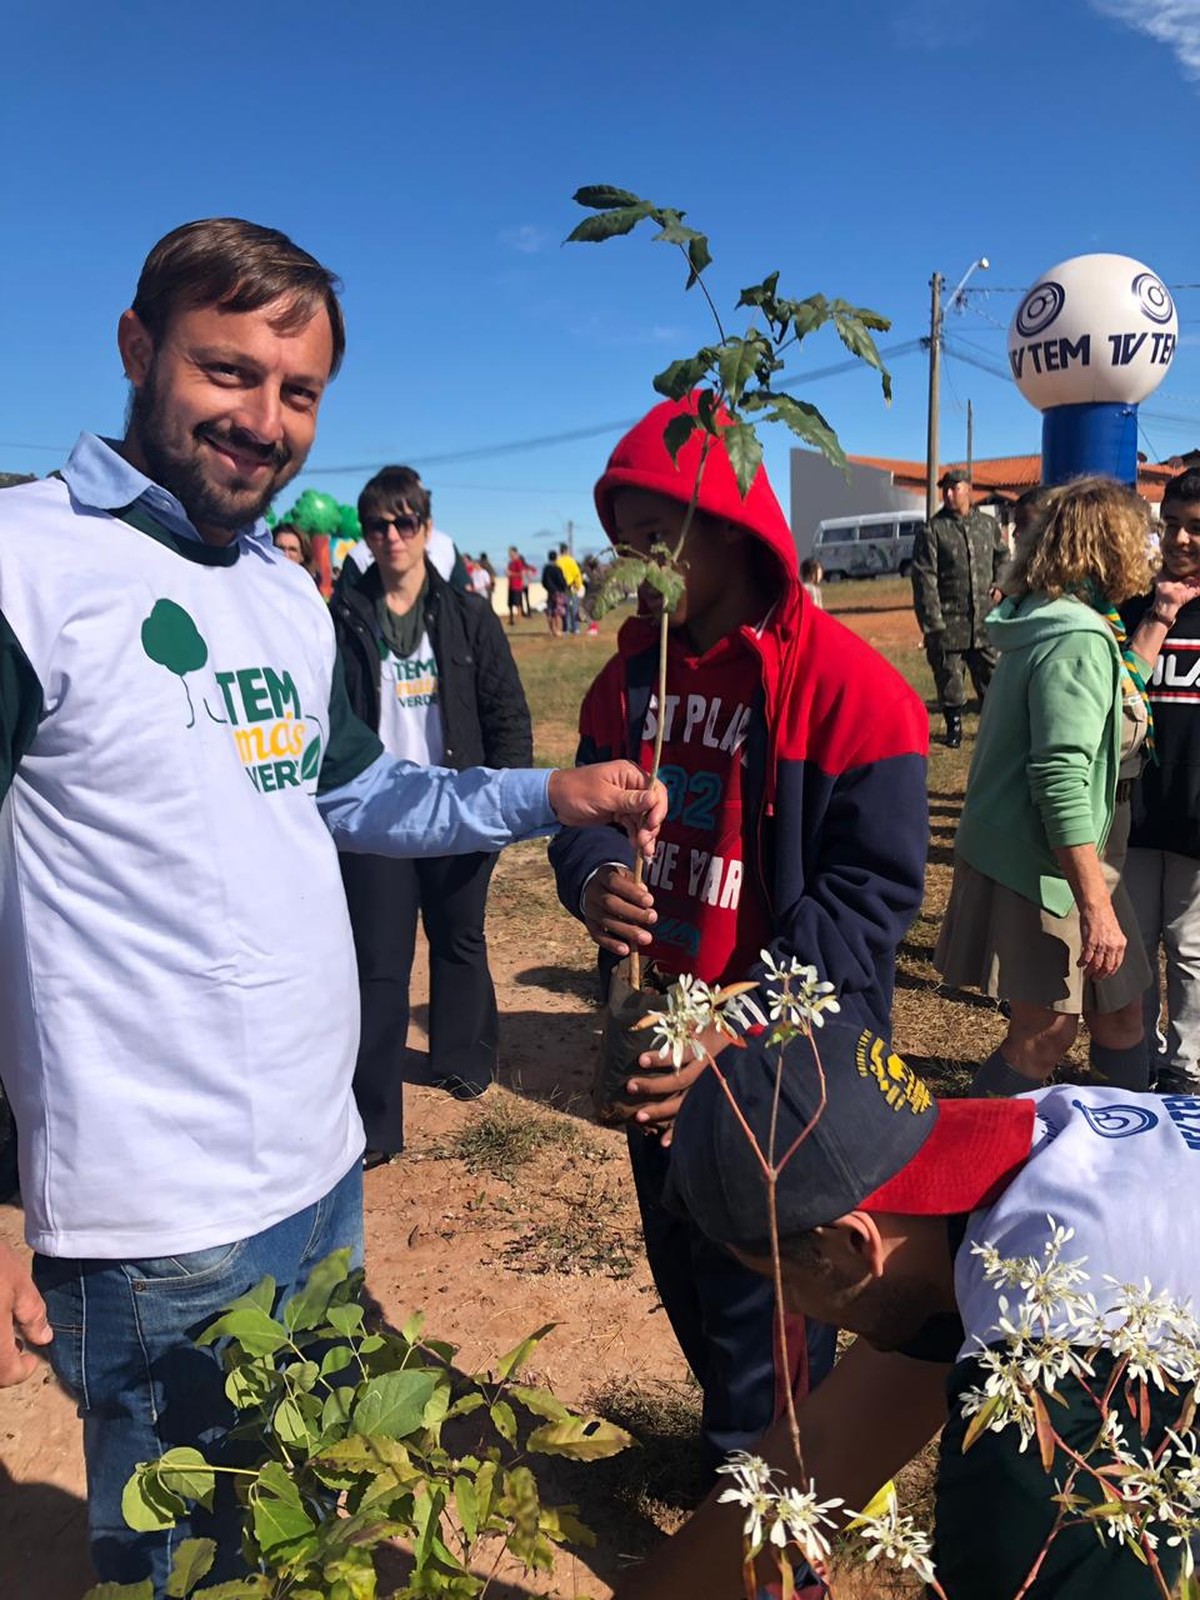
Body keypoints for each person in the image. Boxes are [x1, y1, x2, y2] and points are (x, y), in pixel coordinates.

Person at [0, 216, 664, 1595]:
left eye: (298, 392)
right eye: (228, 372)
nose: (264, 421)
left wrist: (557, 793)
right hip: (152, 1217)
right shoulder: (26, 565)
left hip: (318, 1173)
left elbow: (362, 798)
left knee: (307, 1520)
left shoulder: (287, 600)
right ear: (137, 350)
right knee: (194, 1562)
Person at [549, 394, 929, 1477]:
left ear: (730, 524)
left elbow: (867, 900)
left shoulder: (856, 695)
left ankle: (763, 1511)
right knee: (682, 1260)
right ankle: (729, 1446)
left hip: (776, 1072)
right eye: (621, 535)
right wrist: (594, 882)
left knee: (766, 1309)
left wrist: (736, 1028)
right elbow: (583, 827)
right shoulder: (632, 679)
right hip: (652, 1035)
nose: (633, 559)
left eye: (654, 533)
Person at [615, 1021, 1199, 1600]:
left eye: (781, 1281)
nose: (787, 1307)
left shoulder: (1046, 1386)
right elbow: (822, 1451)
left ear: (852, 1242)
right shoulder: (1030, 1150)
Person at [935, 479, 1182, 1097]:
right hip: (1046, 864)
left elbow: (1110, 705)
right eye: (1142, 536)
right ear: (1109, 546)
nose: (1152, 547)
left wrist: (1158, 618)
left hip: (1076, 858)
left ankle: (1116, 1155)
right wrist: (1095, 908)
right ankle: (975, 1176)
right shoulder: (1075, 635)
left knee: (1123, 1013)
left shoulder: (1064, 617)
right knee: (1043, 1033)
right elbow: (1061, 778)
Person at [332, 465, 532, 1161]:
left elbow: (506, 710)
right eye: (378, 525)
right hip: (377, 811)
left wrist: (498, 799)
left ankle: (463, 1061)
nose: (391, 536)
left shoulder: (466, 613)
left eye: (404, 521)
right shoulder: (344, 615)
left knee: (459, 939)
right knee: (380, 965)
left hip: (455, 804)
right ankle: (375, 1120)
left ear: (425, 524)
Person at [1122, 470, 1200, 1093]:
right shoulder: (1134, 606)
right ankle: (1134, 1061)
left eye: (1196, 528)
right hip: (1138, 815)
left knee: (1191, 950)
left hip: (1196, 819)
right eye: (1171, 524)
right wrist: (1157, 615)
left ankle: (1186, 1067)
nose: (1180, 539)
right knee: (1135, 945)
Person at [910, 467, 1007, 748]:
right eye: (945, 489)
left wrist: (1001, 585)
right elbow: (924, 578)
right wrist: (933, 623)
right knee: (949, 677)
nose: (949, 494)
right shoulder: (933, 530)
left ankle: (993, 730)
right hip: (950, 621)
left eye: (955, 488)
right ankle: (954, 727)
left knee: (993, 679)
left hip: (985, 619)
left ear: (969, 489)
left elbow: (1003, 557)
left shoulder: (987, 526)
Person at [556, 544, 584, 634]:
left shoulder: (558, 562)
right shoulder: (571, 561)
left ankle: (567, 628)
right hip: (572, 586)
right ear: (567, 551)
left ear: (560, 551)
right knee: (574, 608)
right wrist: (578, 585)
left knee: (565, 608)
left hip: (562, 587)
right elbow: (577, 574)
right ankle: (576, 628)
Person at [541, 545, 569, 636]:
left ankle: (551, 629)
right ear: (556, 557)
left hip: (550, 592)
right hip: (558, 592)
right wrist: (564, 587)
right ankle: (558, 630)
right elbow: (561, 580)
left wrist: (548, 588)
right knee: (558, 612)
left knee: (550, 611)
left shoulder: (546, 569)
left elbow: (543, 581)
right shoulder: (557, 569)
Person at [505, 544, 526, 626]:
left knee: (518, 603)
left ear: (515, 553)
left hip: (517, 586)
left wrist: (511, 574)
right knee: (510, 603)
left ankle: (519, 618)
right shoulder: (510, 563)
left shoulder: (518, 562)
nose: (509, 554)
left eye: (510, 553)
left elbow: (522, 574)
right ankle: (511, 619)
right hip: (510, 585)